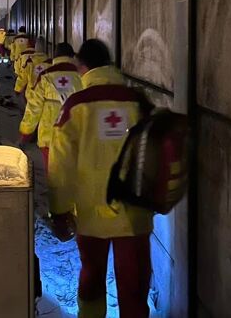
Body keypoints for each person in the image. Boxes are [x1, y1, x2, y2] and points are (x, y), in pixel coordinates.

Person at [48, 39, 153, 318]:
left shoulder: (76, 105)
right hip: (135, 214)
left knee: (92, 278)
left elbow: (61, 164)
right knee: (134, 286)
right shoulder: (139, 102)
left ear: (83, 67)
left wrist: (59, 210)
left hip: (92, 214)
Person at [18, 42, 81, 171]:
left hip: (49, 136)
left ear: (55, 56)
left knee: (52, 172)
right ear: (72, 56)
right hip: (74, 134)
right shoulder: (81, 76)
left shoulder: (46, 76)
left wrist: (26, 132)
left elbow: (34, 108)